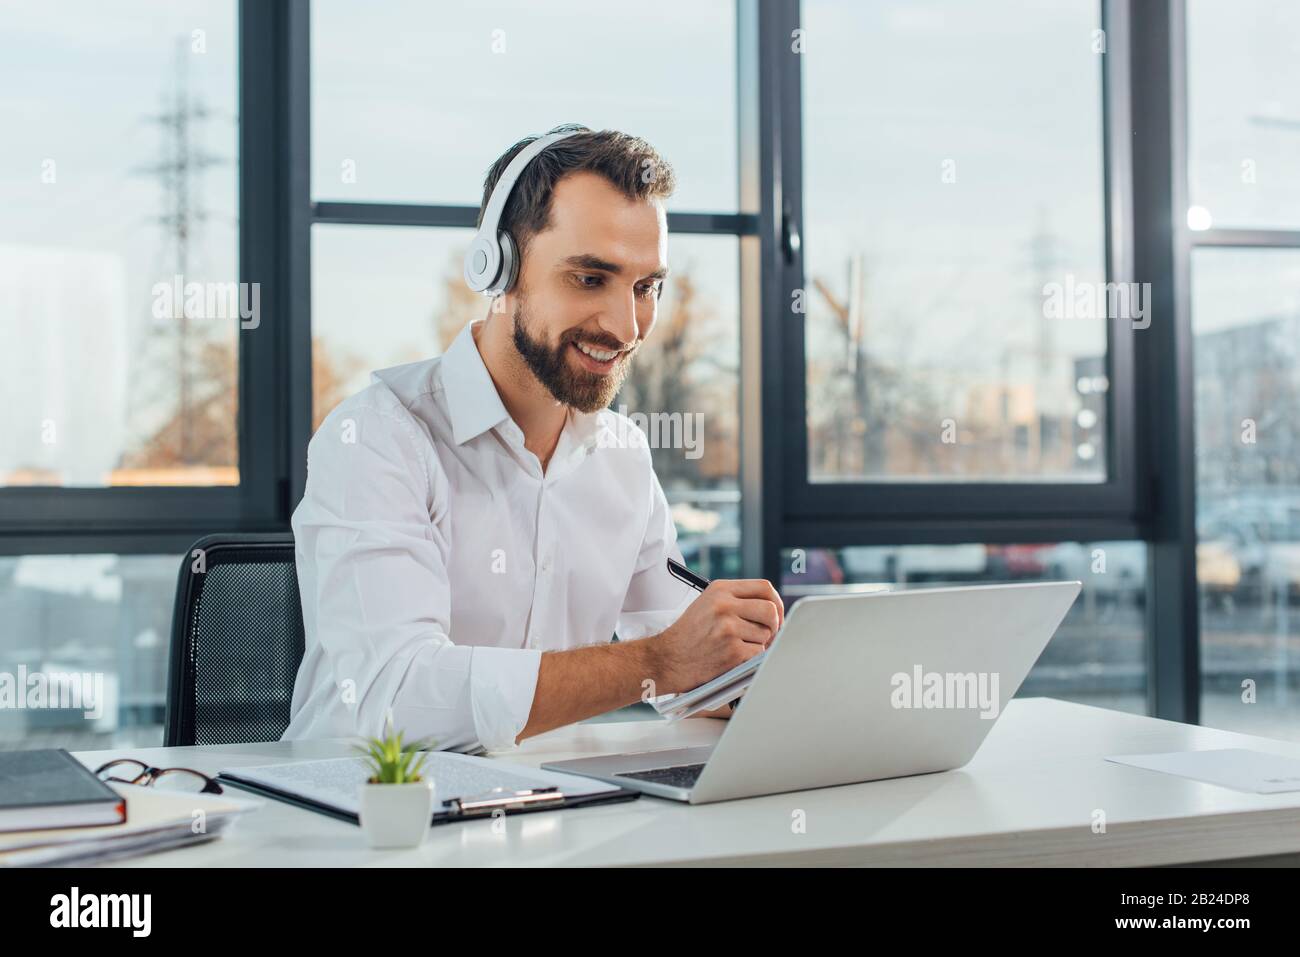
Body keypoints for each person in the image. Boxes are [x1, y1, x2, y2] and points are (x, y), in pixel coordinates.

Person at [283, 125, 783, 752]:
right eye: (589, 279)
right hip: (365, 821)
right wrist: (657, 662)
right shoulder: (379, 438)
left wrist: (771, 680)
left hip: (544, 810)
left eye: (646, 287)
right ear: (500, 267)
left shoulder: (621, 456)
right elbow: (395, 697)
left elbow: (685, 666)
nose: (627, 326)